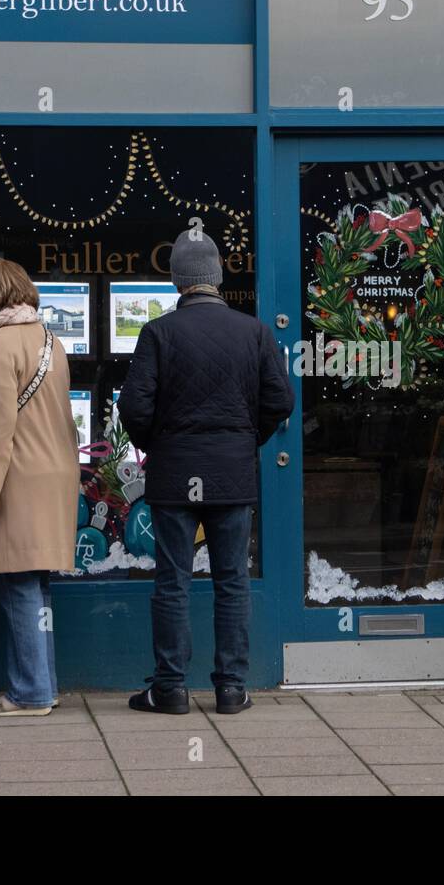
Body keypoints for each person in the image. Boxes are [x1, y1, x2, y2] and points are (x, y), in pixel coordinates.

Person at [118, 229, 293, 716]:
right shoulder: (255, 332)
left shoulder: (158, 333)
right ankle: (231, 688)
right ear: (217, 277)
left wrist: (159, 443)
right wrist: (244, 439)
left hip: (175, 475)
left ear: (178, 281)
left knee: (172, 580)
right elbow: (281, 401)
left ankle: (170, 687)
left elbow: (133, 407)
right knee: (232, 580)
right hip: (232, 473)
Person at [0, 257, 79, 717]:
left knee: (16, 585)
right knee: (36, 585)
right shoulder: (53, 341)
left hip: (15, 477)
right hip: (55, 476)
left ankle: (29, 693)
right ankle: (42, 684)